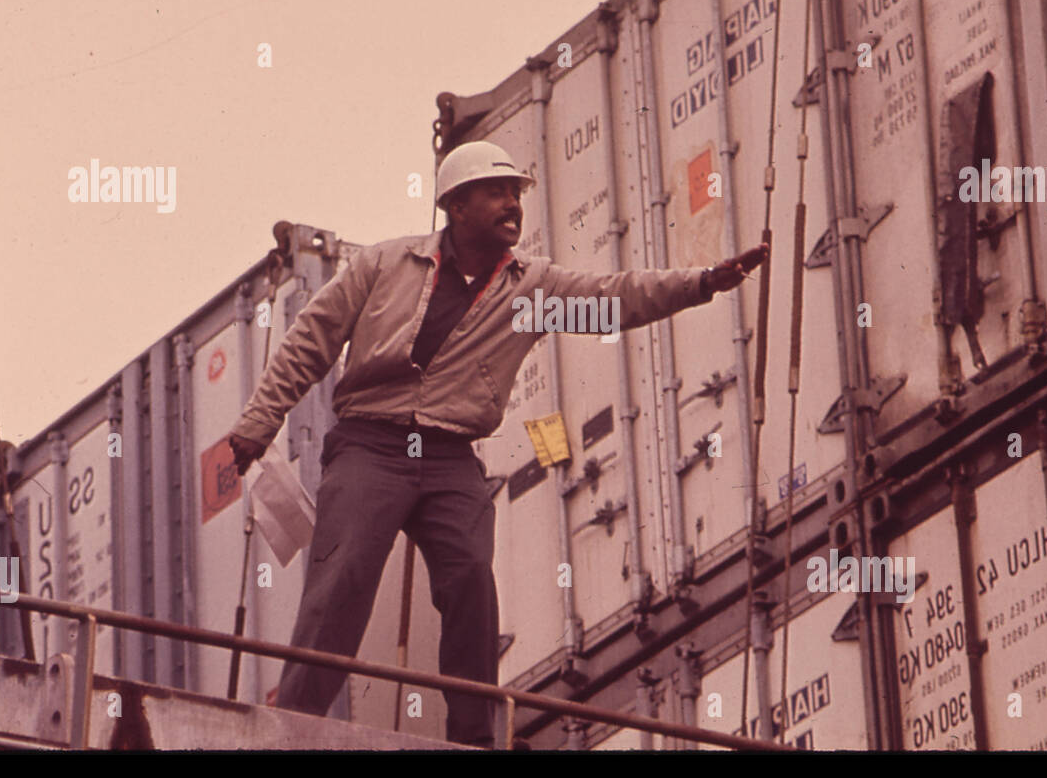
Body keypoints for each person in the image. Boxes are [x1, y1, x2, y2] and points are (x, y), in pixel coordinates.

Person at [227, 140, 768, 747]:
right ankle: (295, 727)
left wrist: (702, 283)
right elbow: (311, 340)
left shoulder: (532, 290)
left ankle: (473, 739)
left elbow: (613, 299)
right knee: (343, 577)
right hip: (370, 444)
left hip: (449, 456)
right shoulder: (385, 264)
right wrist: (258, 422)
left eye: (516, 193)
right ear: (455, 205)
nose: (513, 204)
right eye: (497, 192)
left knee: (470, 580)